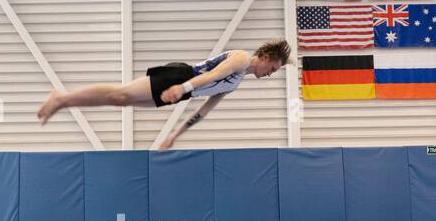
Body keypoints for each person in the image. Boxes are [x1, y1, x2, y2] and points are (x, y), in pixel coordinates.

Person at [35, 39, 292, 149]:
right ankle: (61, 99)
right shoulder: (242, 58)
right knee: (121, 94)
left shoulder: (236, 82)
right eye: (273, 68)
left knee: (119, 101)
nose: (271, 73)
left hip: (184, 90)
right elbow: (211, 76)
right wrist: (183, 87)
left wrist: (175, 135)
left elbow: (204, 110)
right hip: (180, 78)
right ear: (267, 57)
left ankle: (64, 101)